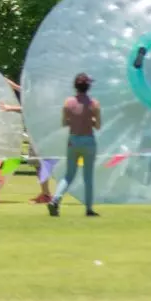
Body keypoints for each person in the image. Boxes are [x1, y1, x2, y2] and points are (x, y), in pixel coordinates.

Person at [47, 73, 102, 217]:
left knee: (69, 175)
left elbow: (64, 122)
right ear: (88, 87)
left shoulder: (68, 103)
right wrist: (90, 120)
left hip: (73, 140)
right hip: (88, 140)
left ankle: (56, 200)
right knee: (88, 177)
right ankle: (89, 208)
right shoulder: (94, 104)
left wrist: (75, 120)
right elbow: (98, 126)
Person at [0, 78, 53, 202]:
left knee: (40, 164)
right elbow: (18, 88)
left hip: (39, 136)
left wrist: (9, 108)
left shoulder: (40, 99)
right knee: (38, 165)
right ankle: (45, 193)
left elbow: (28, 109)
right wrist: (4, 80)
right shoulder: (38, 95)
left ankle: (46, 194)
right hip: (38, 134)